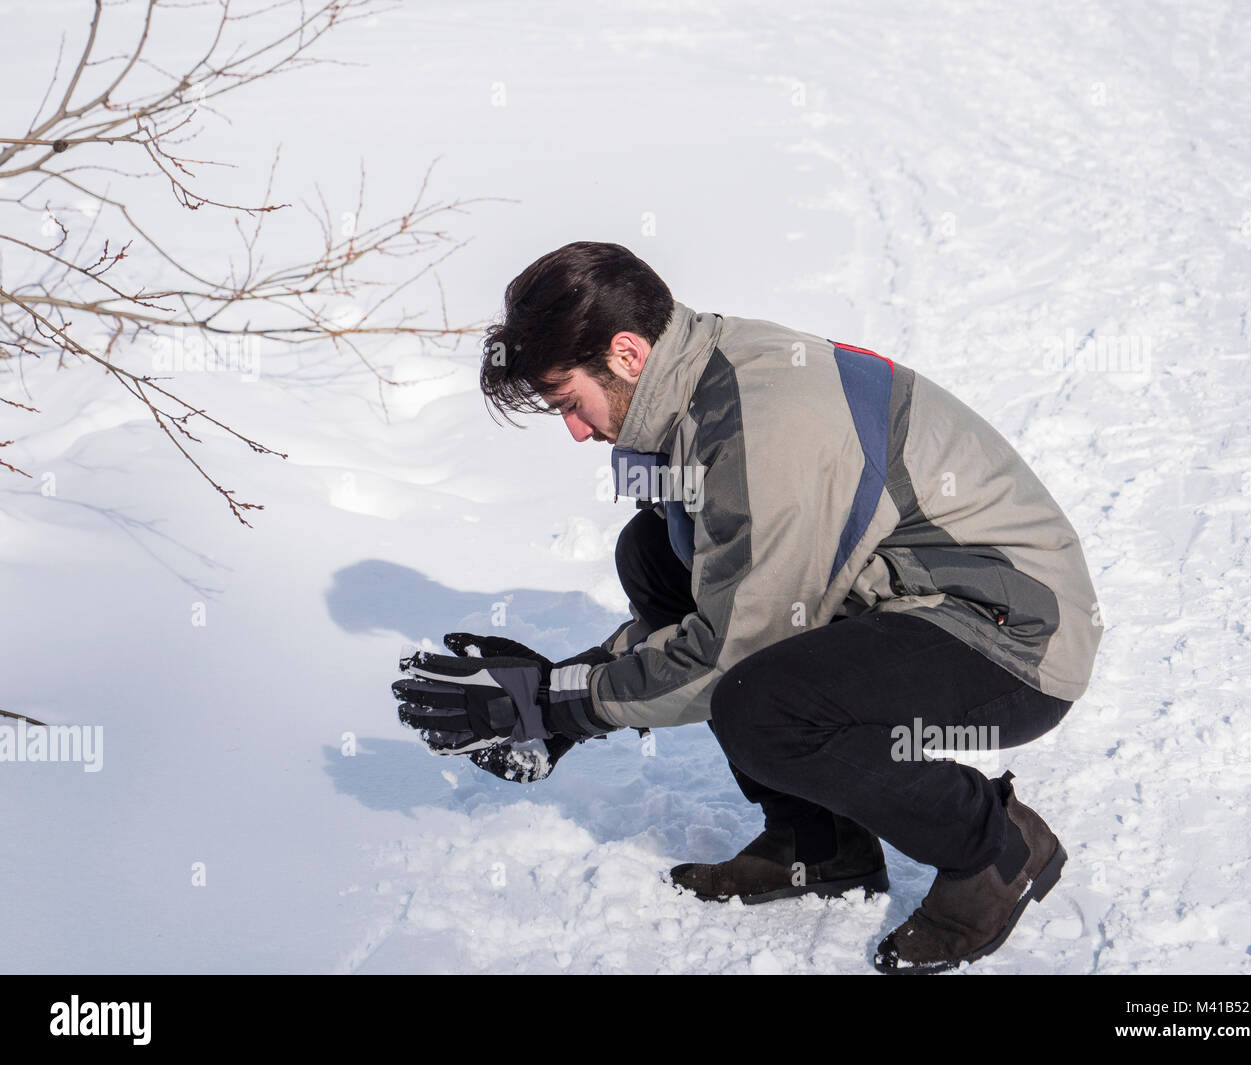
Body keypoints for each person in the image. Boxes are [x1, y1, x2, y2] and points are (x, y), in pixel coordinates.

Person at [391, 241, 1104, 974]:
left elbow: (732, 646)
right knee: (655, 551)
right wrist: (562, 687)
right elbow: (723, 598)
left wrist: (559, 705)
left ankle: (994, 847)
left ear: (628, 353)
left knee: (760, 705)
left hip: (1011, 635)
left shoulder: (760, 423)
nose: (574, 429)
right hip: (905, 591)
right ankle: (819, 843)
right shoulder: (697, 384)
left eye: (570, 402)